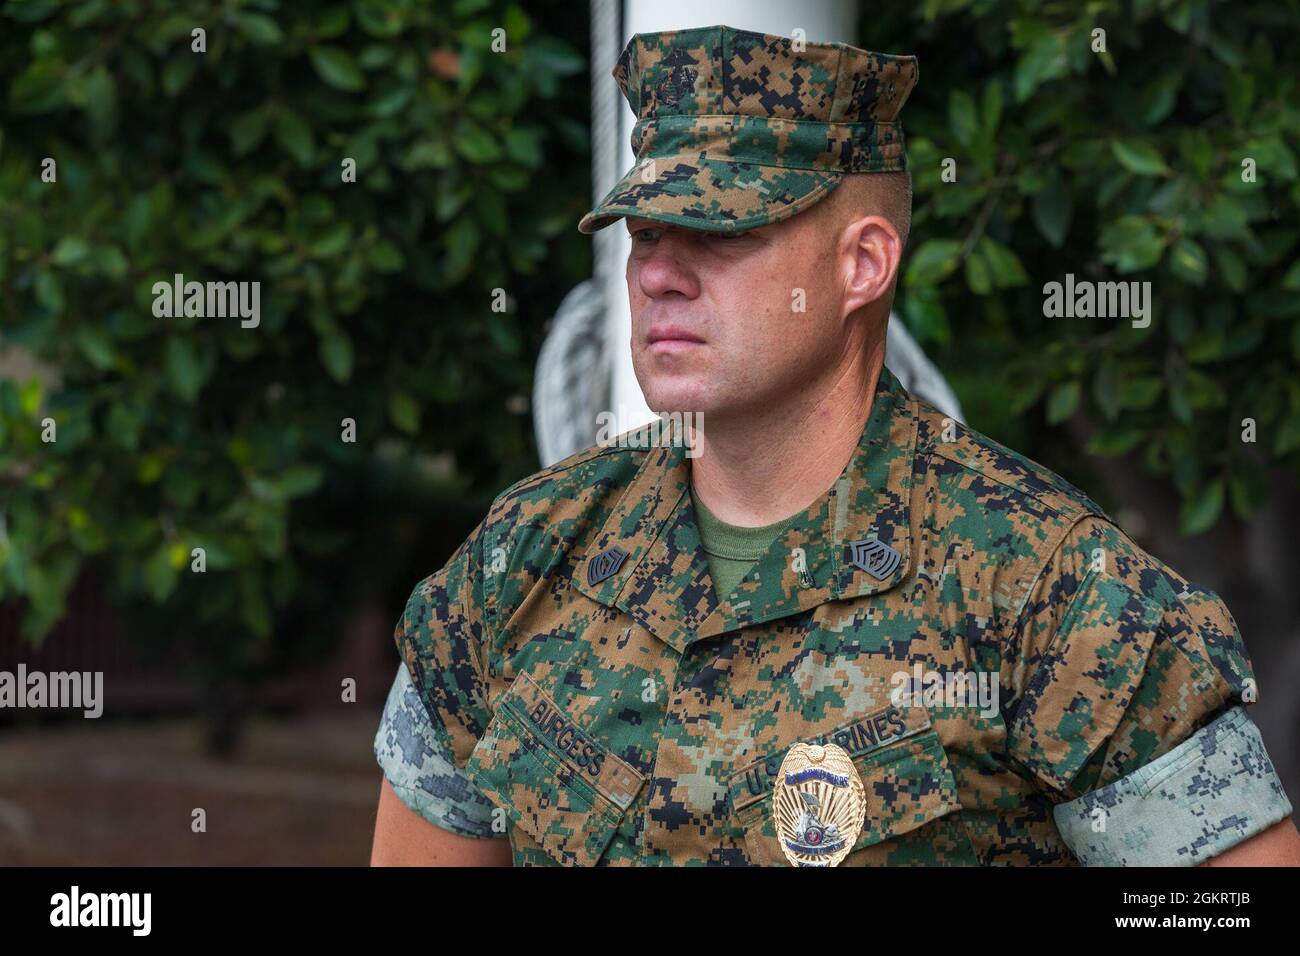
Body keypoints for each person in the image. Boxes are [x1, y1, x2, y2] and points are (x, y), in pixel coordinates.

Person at [371, 24, 1298, 866]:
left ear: (861, 265)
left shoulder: (1050, 591)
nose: (658, 272)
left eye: (717, 229)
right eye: (646, 232)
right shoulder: (521, 559)